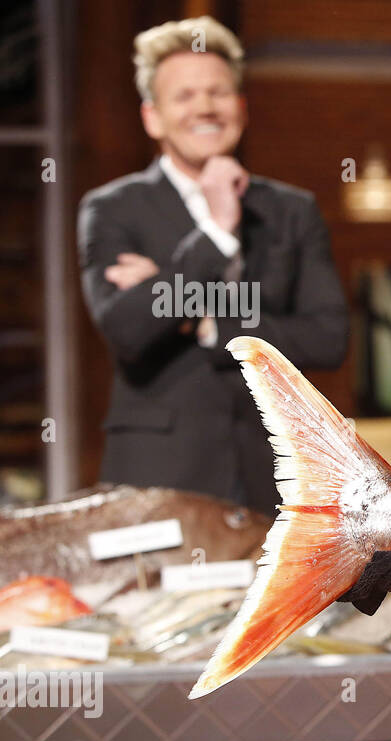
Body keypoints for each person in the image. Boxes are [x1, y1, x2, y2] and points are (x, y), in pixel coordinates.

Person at [77, 16, 347, 514]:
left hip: (280, 475)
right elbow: (128, 330)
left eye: (218, 93)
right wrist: (217, 233)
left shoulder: (292, 210)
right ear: (153, 117)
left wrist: (194, 313)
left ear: (240, 108)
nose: (204, 107)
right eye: (184, 96)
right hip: (160, 476)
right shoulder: (113, 208)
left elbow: (328, 338)